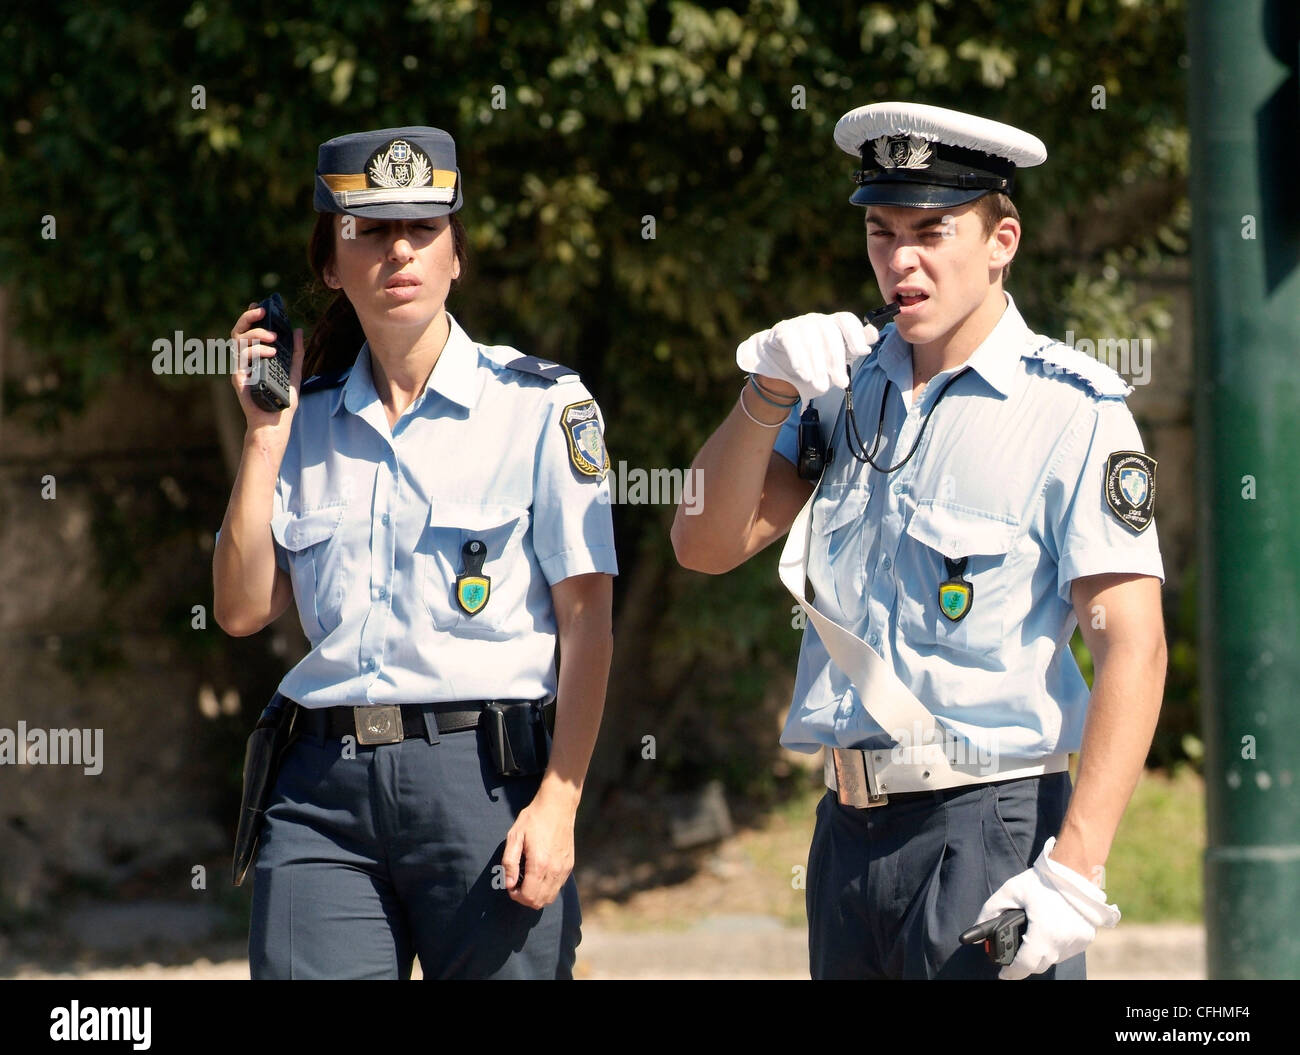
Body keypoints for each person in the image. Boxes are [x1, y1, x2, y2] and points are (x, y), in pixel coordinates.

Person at [672, 102, 1167, 980]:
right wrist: (768, 392)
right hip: (847, 832)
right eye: (880, 230)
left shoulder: (1072, 408)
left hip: (991, 828)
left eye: (931, 231)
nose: (901, 261)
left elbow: (1132, 643)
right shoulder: (838, 384)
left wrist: (1074, 870)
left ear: (1001, 239)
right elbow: (703, 544)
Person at [212, 126, 617, 980]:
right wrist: (263, 441)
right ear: (331, 264)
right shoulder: (300, 421)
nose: (399, 251)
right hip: (321, 791)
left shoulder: (542, 407)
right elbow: (243, 610)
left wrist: (562, 799)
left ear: (456, 256)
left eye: (423, 230)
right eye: (369, 231)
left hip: (485, 788)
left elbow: (586, 621)